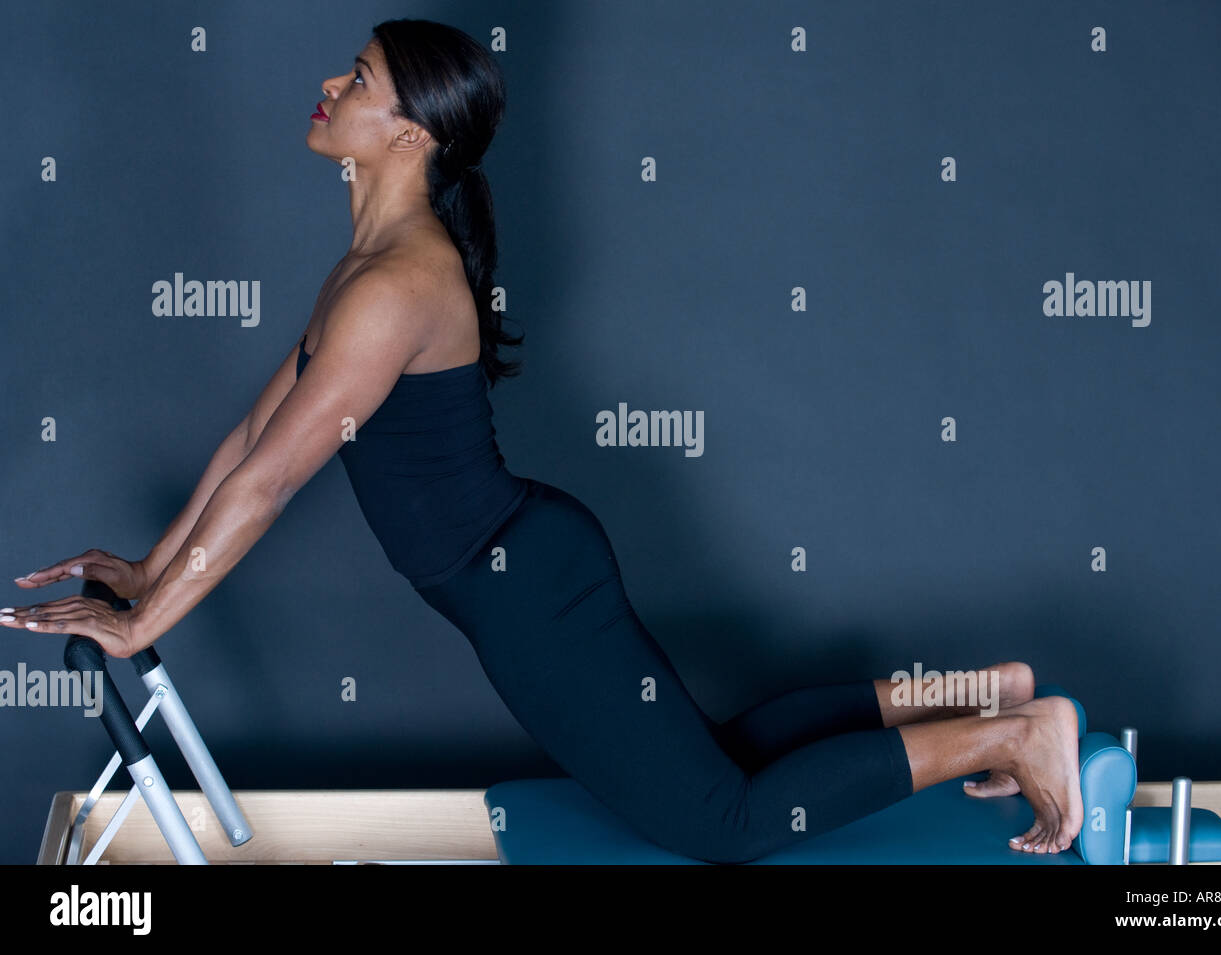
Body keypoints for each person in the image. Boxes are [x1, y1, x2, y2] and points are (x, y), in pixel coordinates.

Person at [1, 19, 1082, 864]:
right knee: (716, 752)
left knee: (723, 820)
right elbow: (255, 433)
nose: (331, 83)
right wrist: (149, 571)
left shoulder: (395, 283)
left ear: (409, 134)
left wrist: (143, 627)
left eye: (359, 78)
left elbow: (275, 480)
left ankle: (1010, 733)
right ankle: (983, 689)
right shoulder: (369, 267)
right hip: (523, 572)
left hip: (525, 590)